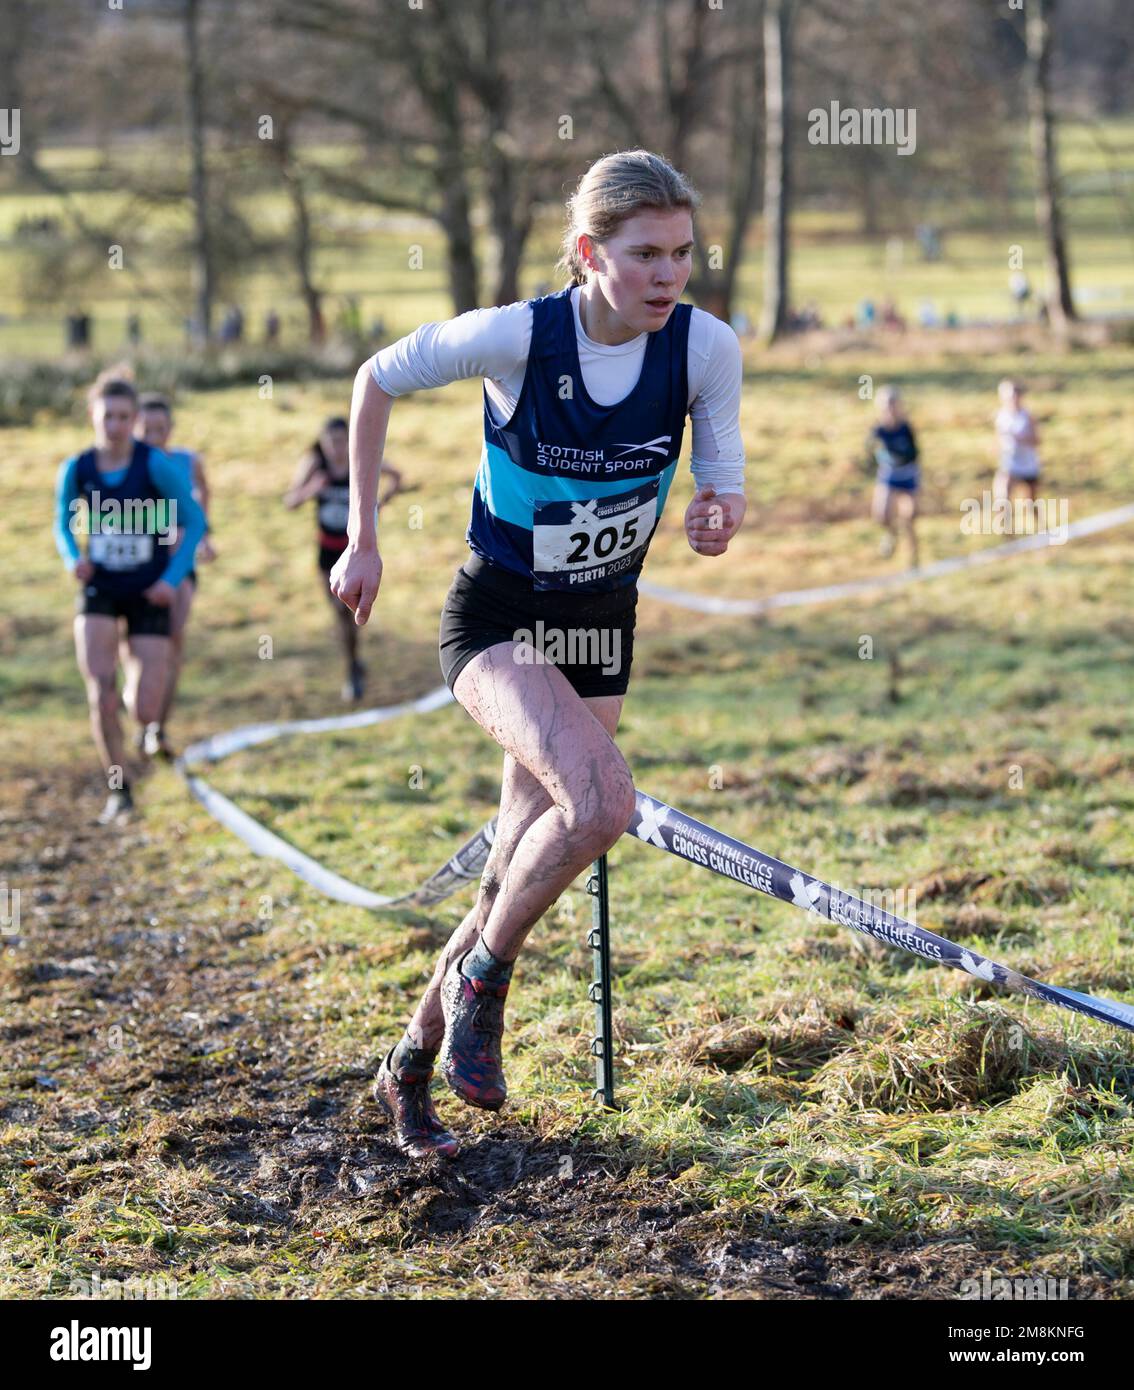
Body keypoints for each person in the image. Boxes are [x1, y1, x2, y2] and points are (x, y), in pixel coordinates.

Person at [331, 149, 748, 1159]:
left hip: (602, 623)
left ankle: (408, 1066)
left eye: (682, 253)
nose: (668, 275)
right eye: (645, 254)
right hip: (498, 617)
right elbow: (375, 377)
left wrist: (715, 511)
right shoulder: (519, 337)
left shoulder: (704, 349)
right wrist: (364, 537)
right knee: (602, 803)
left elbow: (725, 477)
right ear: (586, 253)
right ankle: (483, 982)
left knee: (506, 868)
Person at [53, 368, 206, 823]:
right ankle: (118, 788)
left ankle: (143, 724)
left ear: (134, 418)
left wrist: (171, 579)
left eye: (124, 417)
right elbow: (62, 521)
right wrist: (70, 558)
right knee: (99, 691)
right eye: (108, 416)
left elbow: (194, 521)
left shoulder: (153, 464)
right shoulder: (77, 468)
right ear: (92, 417)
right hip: (100, 587)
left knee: (142, 707)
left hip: (147, 591)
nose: (115, 425)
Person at [283, 417, 402, 702]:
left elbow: (396, 475)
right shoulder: (314, 463)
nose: (336, 448)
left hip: (353, 551)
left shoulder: (358, 458)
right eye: (330, 443)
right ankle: (353, 665)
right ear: (322, 443)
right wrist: (312, 488)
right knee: (339, 611)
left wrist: (380, 503)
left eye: (340, 441)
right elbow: (290, 501)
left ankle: (352, 669)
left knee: (347, 611)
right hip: (326, 551)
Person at [129, 393, 216, 757]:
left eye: (160, 429)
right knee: (135, 649)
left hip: (180, 570)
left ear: (171, 429)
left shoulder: (187, 461)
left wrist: (204, 536)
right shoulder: (125, 467)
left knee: (171, 646)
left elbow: (202, 499)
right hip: (136, 570)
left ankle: (157, 729)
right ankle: (139, 711)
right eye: (146, 429)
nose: (153, 436)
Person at [867, 386, 920, 569]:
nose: (889, 409)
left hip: (907, 474)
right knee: (881, 514)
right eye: (885, 406)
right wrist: (880, 459)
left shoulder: (905, 428)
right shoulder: (878, 430)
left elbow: (915, 453)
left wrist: (899, 456)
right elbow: (869, 452)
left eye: (892, 405)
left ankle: (913, 558)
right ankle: (891, 535)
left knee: (909, 517)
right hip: (888, 475)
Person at [993, 379, 1041, 523]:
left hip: (1028, 465)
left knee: (1031, 503)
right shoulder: (1000, 415)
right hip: (1009, 464)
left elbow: (1037, 440)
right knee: (1002, 497)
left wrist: (1021, 439)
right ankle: (1008, 534)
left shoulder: (1027, 416)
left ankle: (1042, 531)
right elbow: (998, 438)